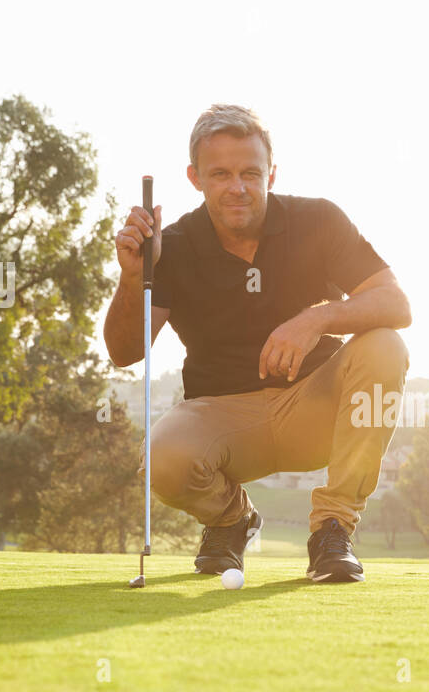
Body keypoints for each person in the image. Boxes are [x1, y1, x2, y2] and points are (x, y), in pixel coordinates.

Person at [104, 104, 411, 583]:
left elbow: (397, 303)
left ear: (271, 173)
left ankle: (333, 529)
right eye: (221, 174)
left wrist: (317, 318)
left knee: (386, 346)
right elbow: (124, 352)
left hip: (313, 408)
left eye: (251, 172)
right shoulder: (175, 245)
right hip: (225, 420)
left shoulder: (319, 219)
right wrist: (133, 277)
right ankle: (231, 520)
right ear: (195, 177)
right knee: (162, 459)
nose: (238, 187)